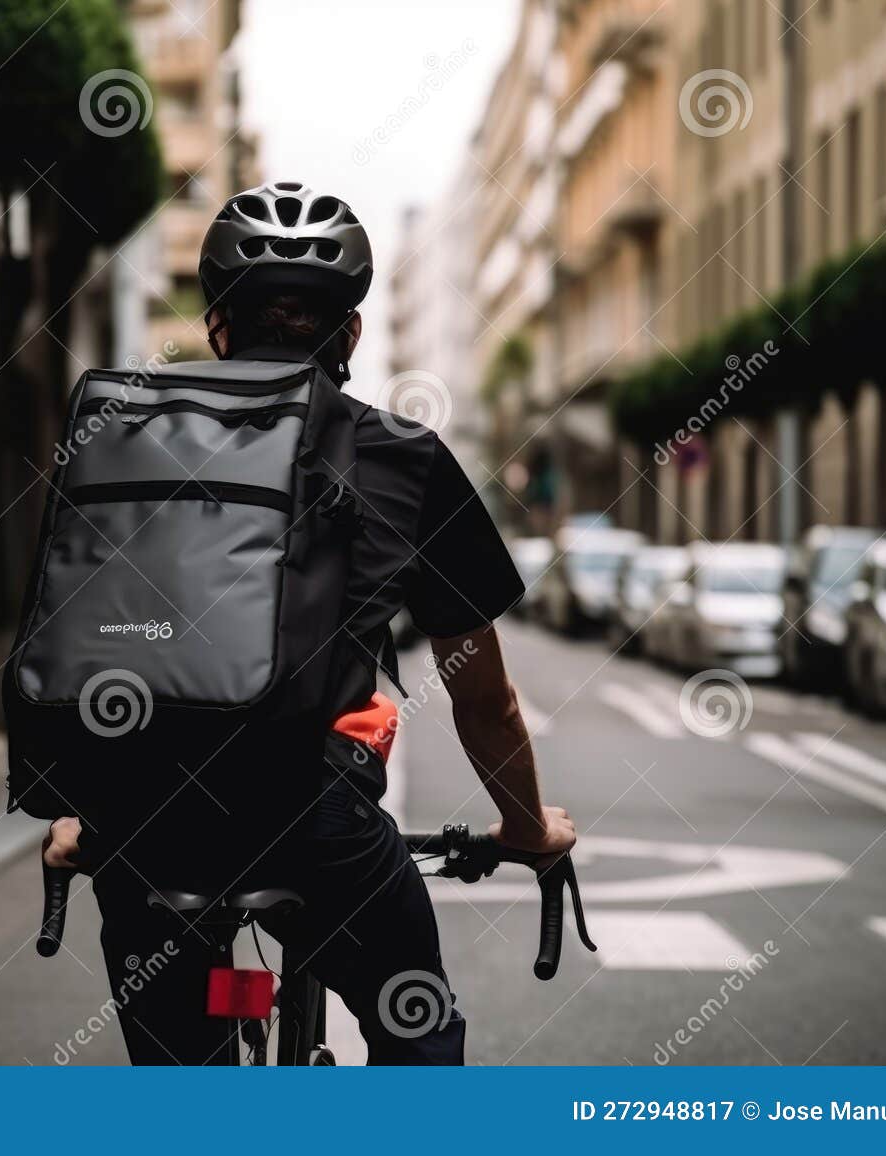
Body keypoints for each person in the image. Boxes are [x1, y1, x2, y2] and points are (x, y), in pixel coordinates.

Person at [43, 181, 576, 1065]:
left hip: (144, 817)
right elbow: (485, 701)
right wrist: (525, 827)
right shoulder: (405, 458)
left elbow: (79, 634)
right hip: (315, 818)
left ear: (217, 326)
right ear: (353, 334)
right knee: (420, 1033)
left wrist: (79, 808)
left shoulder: (122, 437)